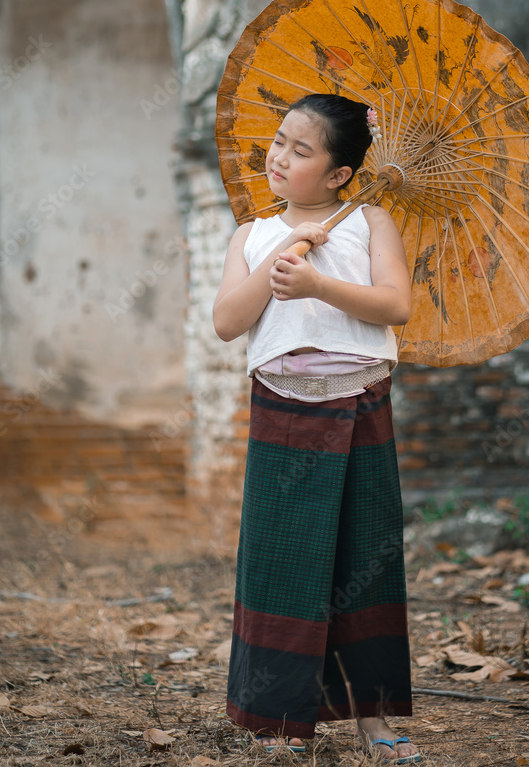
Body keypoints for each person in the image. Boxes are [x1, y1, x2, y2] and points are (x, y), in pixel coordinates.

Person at [213, 93, 420, 764]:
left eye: (301, 151)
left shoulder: (370, 224)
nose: (278, 157)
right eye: (279, 142)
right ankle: (279, 721)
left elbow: (396, 305)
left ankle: (376, 719)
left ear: (337, 175)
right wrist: (288, 255)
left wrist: (318, 285)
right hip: (284, 407)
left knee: (367, 561)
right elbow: (226, 322)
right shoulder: (253, 235)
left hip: (361, 405)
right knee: (280, 563)